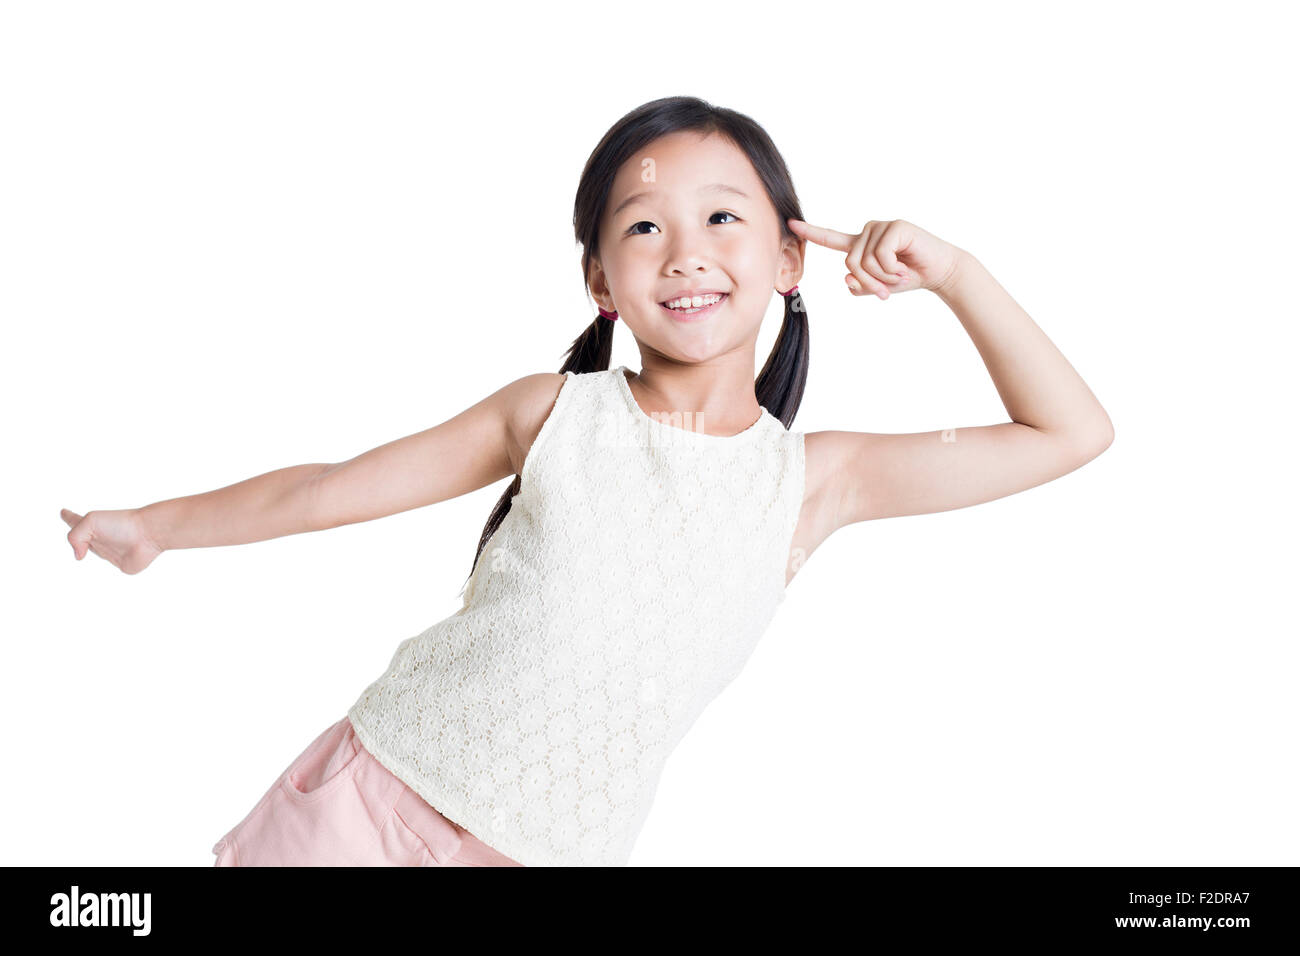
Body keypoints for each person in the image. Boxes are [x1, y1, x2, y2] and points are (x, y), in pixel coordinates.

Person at [61, 95, 1114, 867]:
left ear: (790, 259)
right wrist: (156, 525)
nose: (685, 252)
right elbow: (327, 489)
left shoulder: (812, 480)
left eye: (723, 218)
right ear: (601, 280)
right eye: (644, 225)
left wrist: (956, 274)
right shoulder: (552, 411)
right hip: (365, 807)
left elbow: (1069, 431)